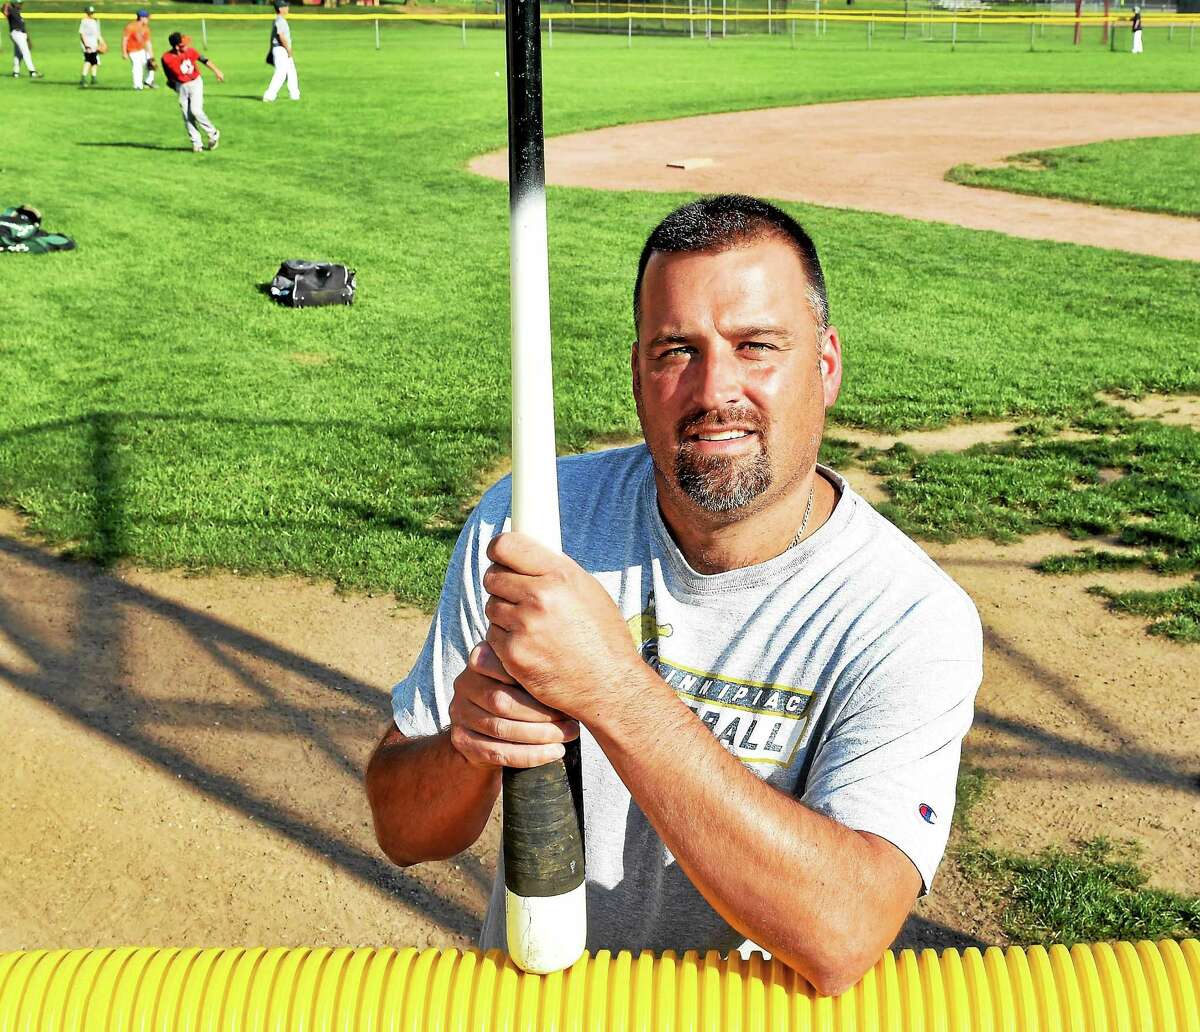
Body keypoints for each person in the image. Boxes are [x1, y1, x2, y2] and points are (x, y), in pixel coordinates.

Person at [365, 195, 983, 994]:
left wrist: (613, 688)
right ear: (637, 374)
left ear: (826, 365)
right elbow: (402, 829)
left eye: (756, 346)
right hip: (549, 1003)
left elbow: (844, 933)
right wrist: (471, 749)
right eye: (675, 351)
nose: (713, 389)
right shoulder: (534, 527)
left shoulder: (905, 616)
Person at [160, 31, 224, 153]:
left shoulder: (190, 51)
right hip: (181, 86)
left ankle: (213, 133)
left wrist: (217, 71)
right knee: (187, 115)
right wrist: (173, 85)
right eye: (183, 44)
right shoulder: (166, 58)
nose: (187, 46)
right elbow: (168, 74)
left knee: (196, 110)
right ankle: (196, 143)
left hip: (195, 83)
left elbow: (204, 60)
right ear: (176, 46)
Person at [262, 0, 299, 103]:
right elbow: (281, 36)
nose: (287, 8)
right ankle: (269, 95)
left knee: (291, 72)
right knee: (281, 73)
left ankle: (295, 95)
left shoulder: (279, 19)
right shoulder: (280, 20)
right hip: (281, 49)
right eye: (285, 7)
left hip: (281, 49)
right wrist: (288, 49)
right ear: (280, 9)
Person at [4, 0, 40, 79]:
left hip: (22, 34)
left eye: (21, 3)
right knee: (25, 52)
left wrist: (28, 40)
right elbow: (4, 9)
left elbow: (24, 28)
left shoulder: (18, 13)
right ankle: (32, 72)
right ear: (14, 3)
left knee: (18, 54)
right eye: (19, 3)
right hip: (16, 33)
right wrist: (7, 4)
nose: (21, 5)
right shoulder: (12, 11)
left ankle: (15, 72)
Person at [122, 9, 156, 91]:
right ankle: (137, 85)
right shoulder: (131, 27)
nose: (148, 19)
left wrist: (151, 56)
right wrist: (124, 52)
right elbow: (125, 39)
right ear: (141, 18)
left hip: (142, 50)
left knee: (150, 65)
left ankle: (148, 82)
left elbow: (148, 42)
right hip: (132, 51)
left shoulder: (146, 28)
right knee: (137, 67)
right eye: (147, 18)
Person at [78, 4, 105, 88]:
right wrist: (86, 45)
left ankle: (93, 78)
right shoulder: (84, 21)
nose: (91, 14)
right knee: (88, 60)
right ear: (86, 13)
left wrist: (102, 42)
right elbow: (81, 34)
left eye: (92, 13)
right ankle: (83, 78)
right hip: (87, 44)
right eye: (89, 13)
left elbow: (97, 34)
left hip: (94, 44)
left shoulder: (95, 21)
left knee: (95, 61)